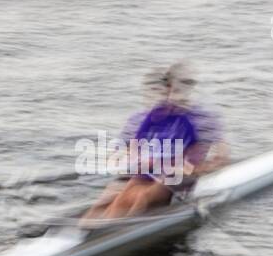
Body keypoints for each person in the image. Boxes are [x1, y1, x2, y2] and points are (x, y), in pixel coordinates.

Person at [83, 63, 229, 222]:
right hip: (147, 170)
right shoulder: (150, 116)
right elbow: (134, 143)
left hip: (170, 175)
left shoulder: (188, 121)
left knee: (143, 197)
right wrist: (135, 160)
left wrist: (199, 167)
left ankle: (123, 227)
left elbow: (193, 153)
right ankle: (90, 228)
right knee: (115, 197)